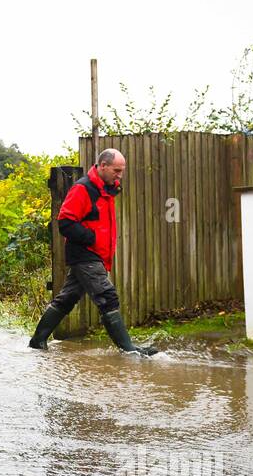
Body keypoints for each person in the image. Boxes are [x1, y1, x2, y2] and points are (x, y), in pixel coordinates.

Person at [28, 148, 157, 354]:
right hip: (86, 254)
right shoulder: (83, 189)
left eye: (122, 171)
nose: (120, 175)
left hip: (94, 254)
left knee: (67, 298)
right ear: (102, 166)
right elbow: (65, 222)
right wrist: (92, 239)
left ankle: (37, 341)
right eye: (116, 170)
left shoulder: (106, 189)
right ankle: (129, 350)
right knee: (107, 297)